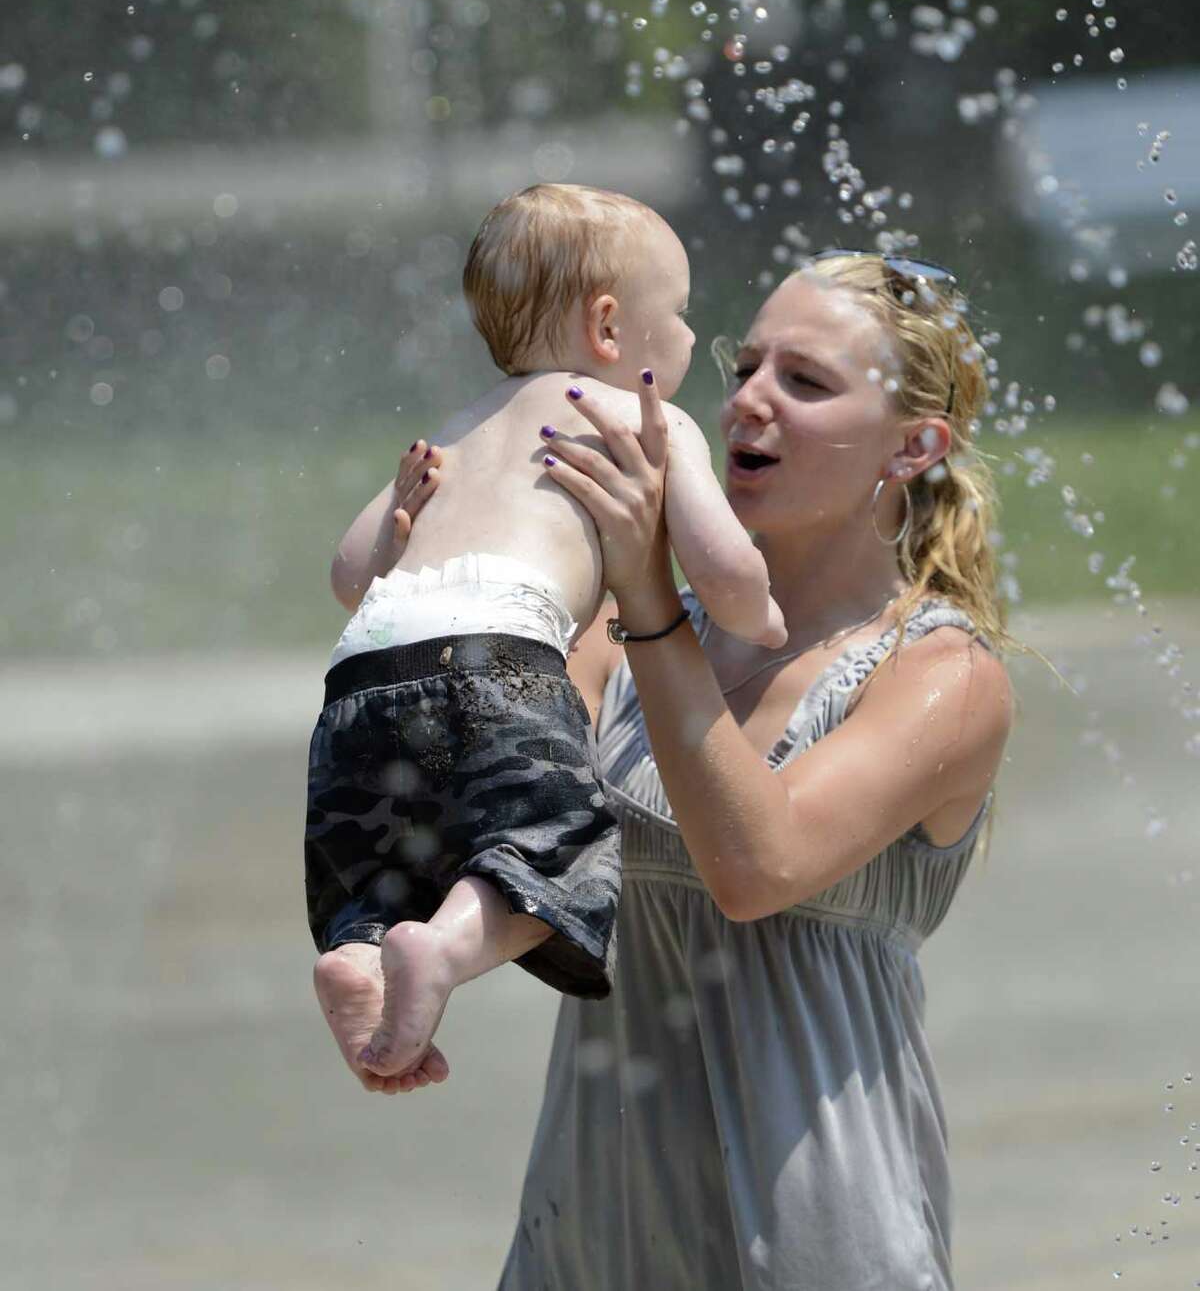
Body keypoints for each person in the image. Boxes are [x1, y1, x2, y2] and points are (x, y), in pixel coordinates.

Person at [485, 248, 1015, 1291]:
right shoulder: (618, 632)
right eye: (746, 368)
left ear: (914, 445)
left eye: (804, 381)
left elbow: (755, 865)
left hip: (815, 1234)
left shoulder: (940, 676)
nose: (746, 403)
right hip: (599, 1217)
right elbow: (495, 815)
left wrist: (648, 596)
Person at [307, 183, 785, 1096]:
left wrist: (402, 520)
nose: (692, 338)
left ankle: (360, 954)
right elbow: (726, 572)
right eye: (679, 314)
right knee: (556, 850)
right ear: (608, 328)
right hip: (503, 657)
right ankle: (444, 951)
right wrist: (759, 614)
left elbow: (347, 578)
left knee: (387, 850)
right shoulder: (638, 416)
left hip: (364, 670)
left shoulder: (458, 428)